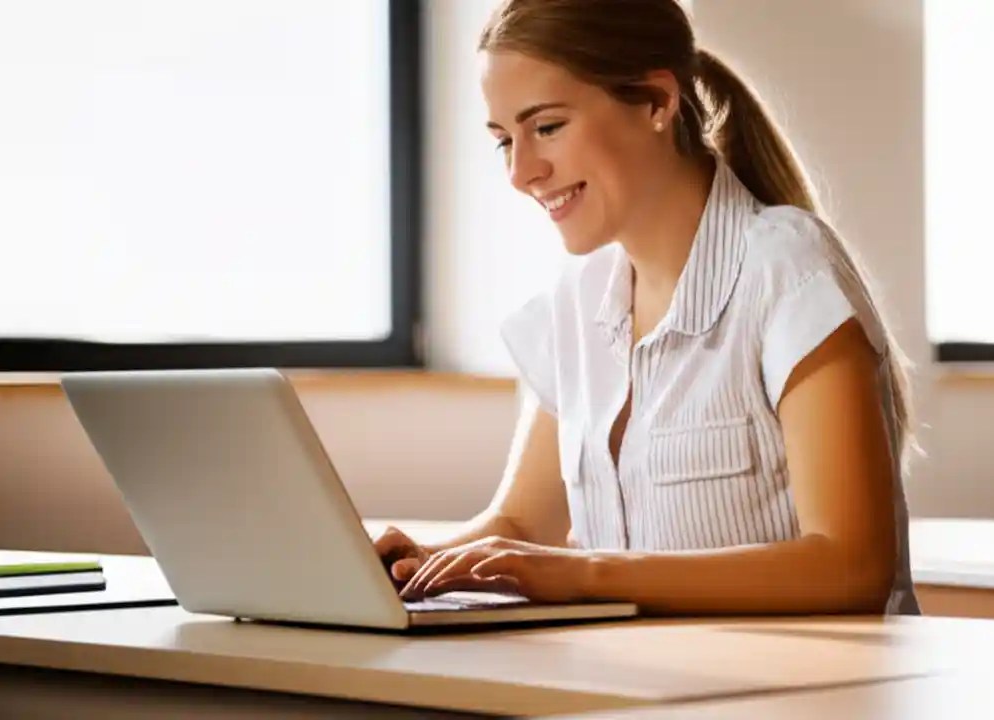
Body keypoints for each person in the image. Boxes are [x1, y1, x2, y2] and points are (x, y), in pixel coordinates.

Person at [375, 0, 919, 616]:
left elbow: (852, 565)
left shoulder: (787, 268)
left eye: (547, 127)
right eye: (504, 140)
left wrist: (588, 574)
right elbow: (525, 526)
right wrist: (416, 562)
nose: (521, 172)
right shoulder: (575, 301)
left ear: (658, 103)